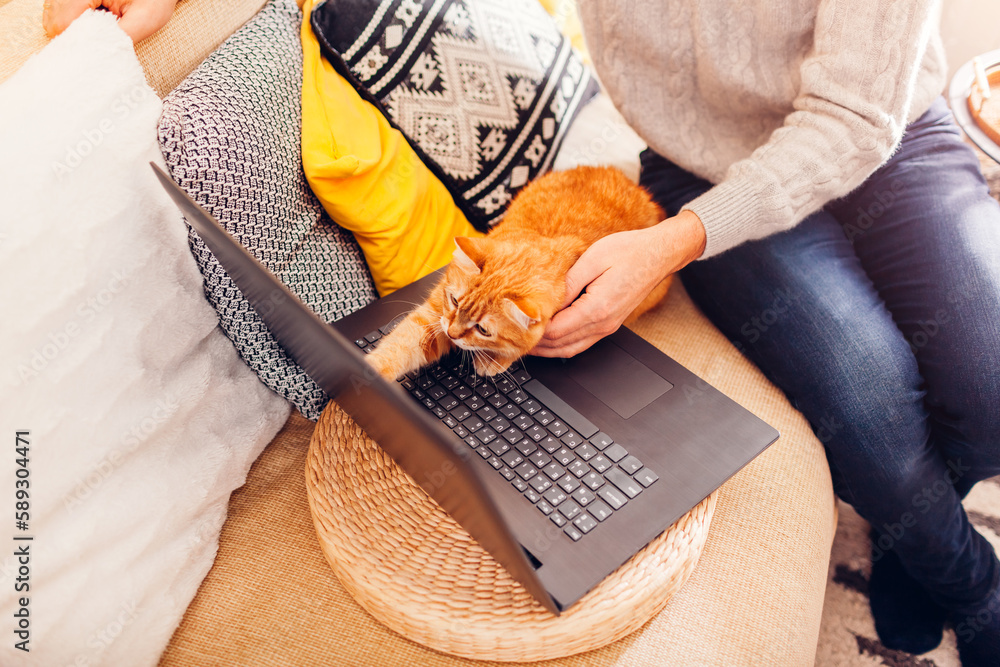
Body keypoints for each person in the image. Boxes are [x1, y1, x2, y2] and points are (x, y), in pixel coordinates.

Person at [45, 0, 1000, 662]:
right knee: (871, 393)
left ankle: (919, 526)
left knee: (988, 379)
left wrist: (671, 247)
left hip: (885, 134)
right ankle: (967, 580)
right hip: (702, 165)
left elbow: (851, 117)